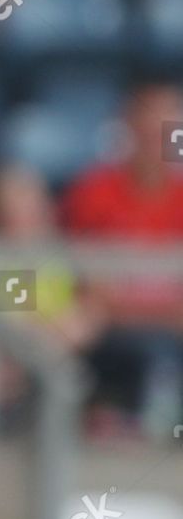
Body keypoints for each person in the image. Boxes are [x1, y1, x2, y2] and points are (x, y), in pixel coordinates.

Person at [61, 79, 183, 433]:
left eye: (167, 121)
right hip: (106, 318)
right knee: (70, 317)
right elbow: (90, 289)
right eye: (147, 122)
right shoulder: (93, 192)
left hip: (167, 319)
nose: (156, 134)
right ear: (128, 124)